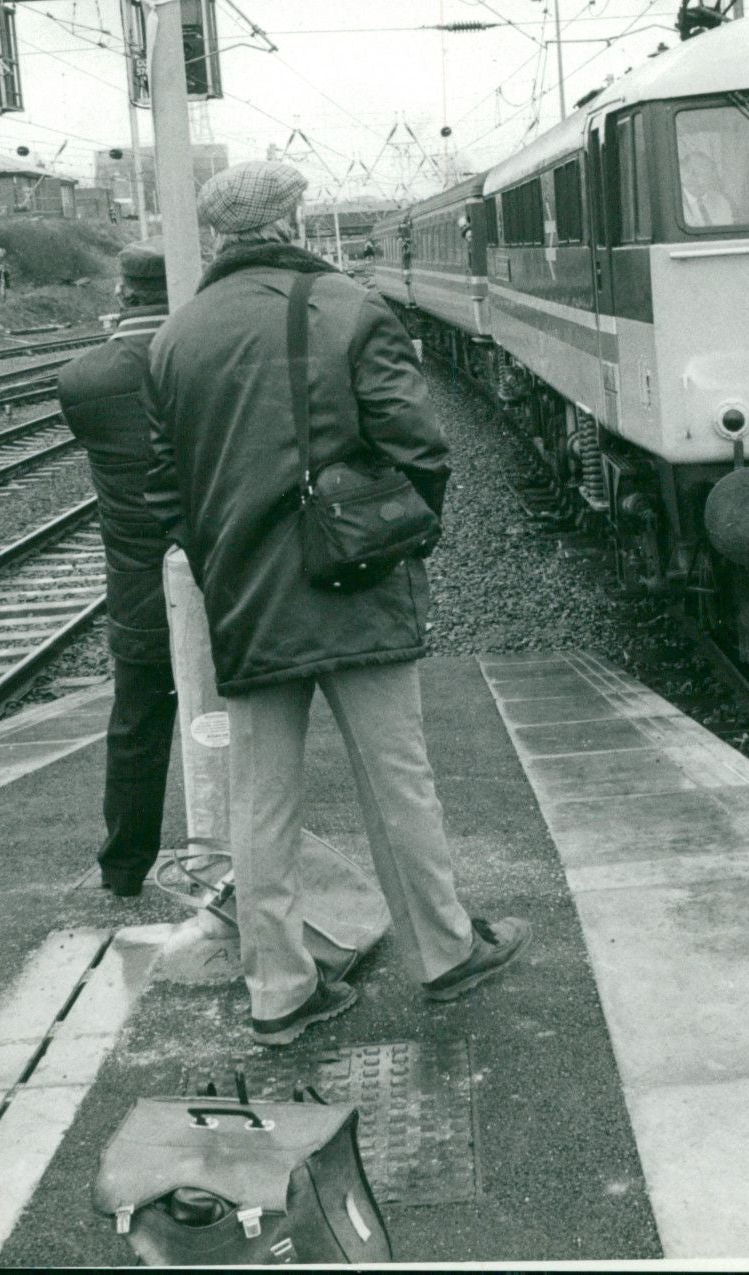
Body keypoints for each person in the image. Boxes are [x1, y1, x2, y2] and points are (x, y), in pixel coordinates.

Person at [145, 159, 530, 1048]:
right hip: (354, 582)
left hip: (245, 596)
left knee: (259, 798)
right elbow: (419, 445)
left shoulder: (175, 336)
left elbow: (163, 487)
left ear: (219, 234)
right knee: (397, 778)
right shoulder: (348, 308)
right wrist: (401, 534)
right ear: (291, 218)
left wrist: (222, 555)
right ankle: (444, 952)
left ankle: (279, 990)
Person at [53, 240, 178, 899]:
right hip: (227, 573)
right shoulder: (205, 358)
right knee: (250, 720)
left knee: (137, 724)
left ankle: (124, 867)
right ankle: (250, 854)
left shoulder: (82, 379)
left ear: (122, 293)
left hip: (138, 585)